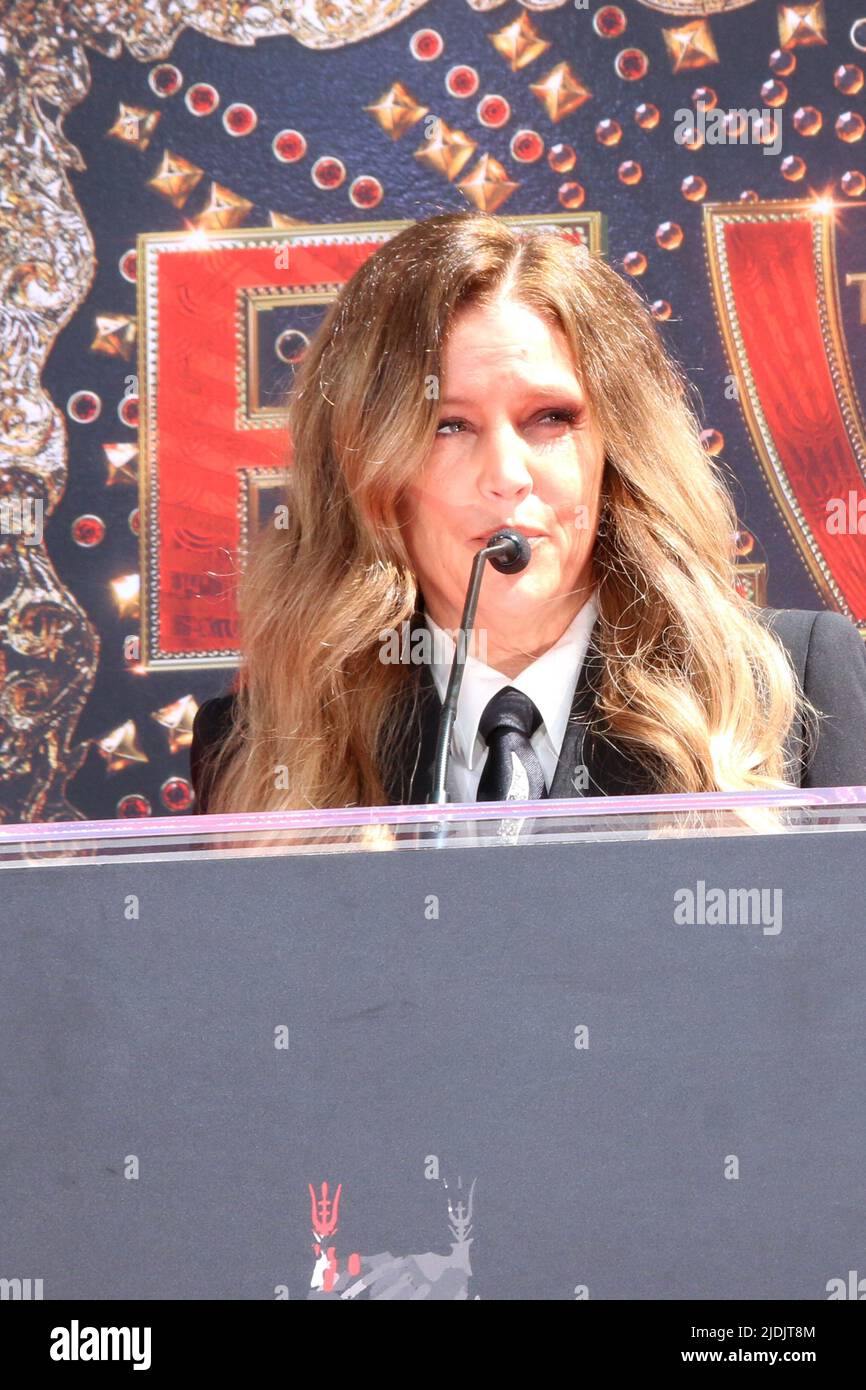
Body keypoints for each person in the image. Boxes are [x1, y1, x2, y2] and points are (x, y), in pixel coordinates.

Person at [190, 210, 866, 815]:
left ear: (620, 449)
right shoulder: (255, 745)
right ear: (367, 466)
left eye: (550, 418)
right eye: (446, 425)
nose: (507, 477)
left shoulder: (793, 684)